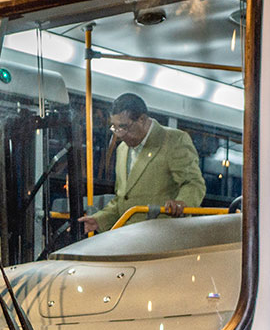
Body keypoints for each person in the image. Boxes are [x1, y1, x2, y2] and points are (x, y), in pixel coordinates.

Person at [78, 93, 206, 234]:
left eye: (124, 127)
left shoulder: (174, 140)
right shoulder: (122, 149)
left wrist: (182, 203)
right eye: (115, 128)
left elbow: (193, 183)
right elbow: (122, 200)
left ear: (142, 119)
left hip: (162, 234)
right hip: (130, 235)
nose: (119, 134)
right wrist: (98, 220)